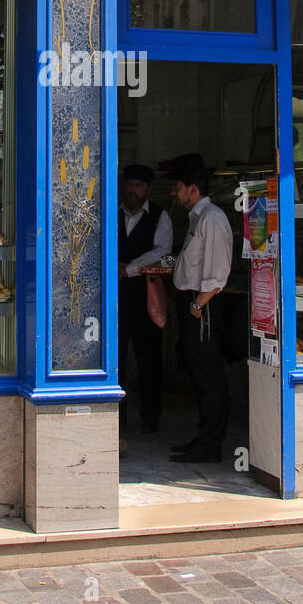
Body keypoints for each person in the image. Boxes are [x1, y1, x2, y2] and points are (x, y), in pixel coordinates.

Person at [168, 153, 233, 464]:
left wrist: (197, 305)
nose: (174, 193)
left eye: (178, 187)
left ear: (193, 189)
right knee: (197, 373)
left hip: (202, 305)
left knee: (209, 375)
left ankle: (211, 443)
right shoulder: (197, 218)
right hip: (192, 302)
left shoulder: (213, 218)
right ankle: (204, 437)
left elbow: (218, 274)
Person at [118, 163, 173, 435]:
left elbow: (164, 253)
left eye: (138, 186)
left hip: (145, 297)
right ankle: (116, 419)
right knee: (114, 360)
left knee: (148, 359)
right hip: (114, 300)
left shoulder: (160, 217)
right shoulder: (110, 212)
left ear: (148, 190)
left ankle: (151, 418)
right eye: (129, 184)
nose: (132, 190)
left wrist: (127, 269)